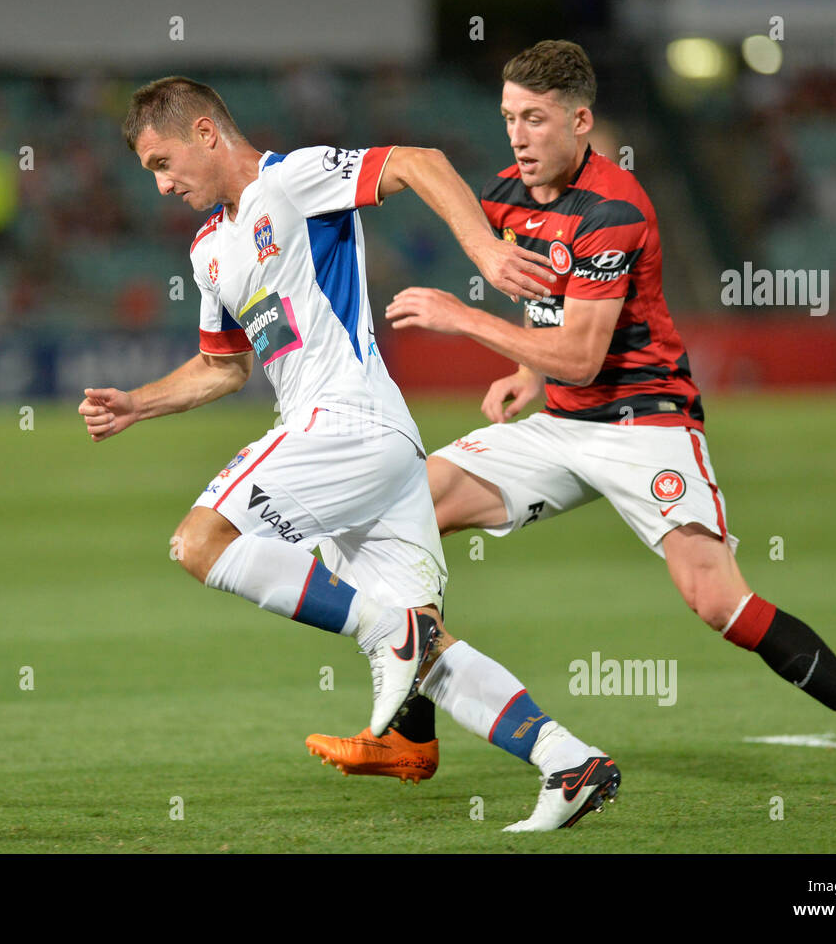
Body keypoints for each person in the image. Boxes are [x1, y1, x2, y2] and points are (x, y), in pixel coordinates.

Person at [305, 40, 836, 794]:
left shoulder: (615, 208)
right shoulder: (507, 195)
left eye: (535, 119)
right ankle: (412, 736)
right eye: (510, 117)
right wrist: (522, 370)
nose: (517, 135)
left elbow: (580, 354)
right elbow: (552, 314)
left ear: (581, 121)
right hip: (564, 422)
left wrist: (463, 319)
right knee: (398, 510)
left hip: (648, 421)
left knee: (717, 599)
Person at [79, 76, 619, 830]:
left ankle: (380, 631)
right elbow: (223, 365)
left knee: (200, 542)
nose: (164, 185)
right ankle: (568, 761)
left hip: (343, 421)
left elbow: (419, 160)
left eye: (163, 163)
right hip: (378, 452)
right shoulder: (210, 248)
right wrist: (139, 402)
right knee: (425, 652)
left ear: (206, 133)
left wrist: (489, 255)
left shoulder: (291, 180)